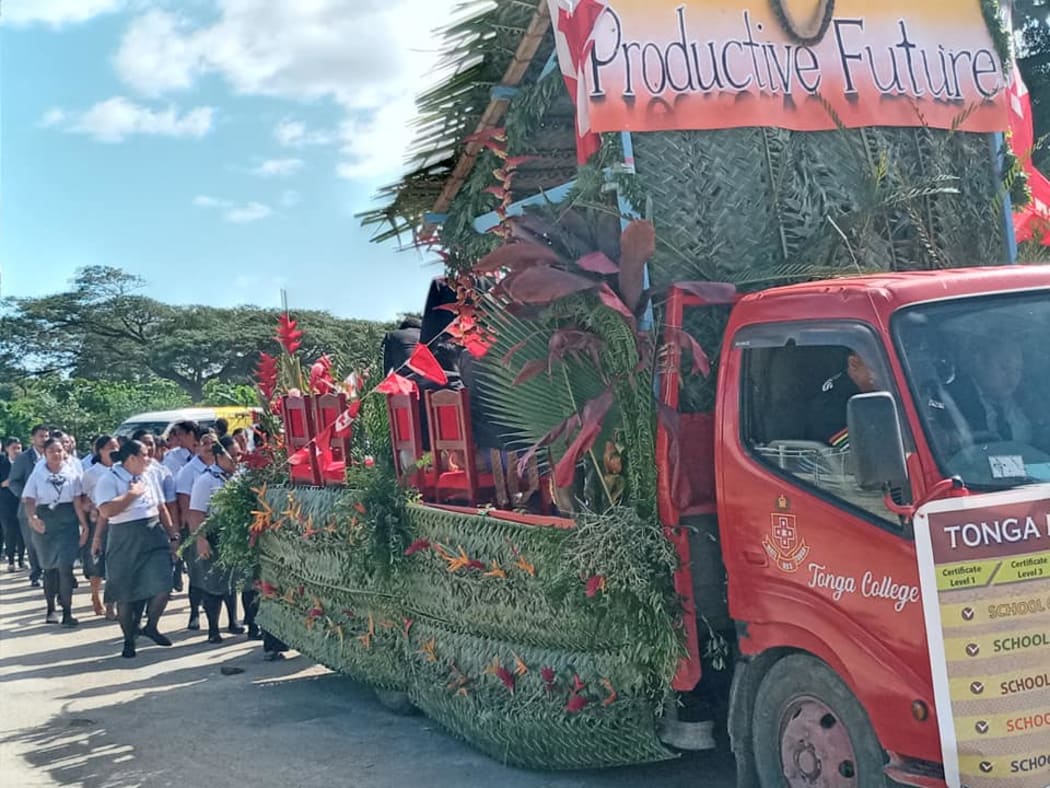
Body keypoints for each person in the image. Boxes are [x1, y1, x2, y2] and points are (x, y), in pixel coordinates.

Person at [94, 440, 180, 659]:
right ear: (131, 458)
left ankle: (151, 626)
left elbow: (161, 507)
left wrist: (173, 535)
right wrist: (131, 495)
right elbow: (106, 511)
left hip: (152, 533)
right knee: (126, 594)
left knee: (163, 584)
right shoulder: (109, 479)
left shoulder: (148, 475)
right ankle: (128, 638)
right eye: (144, 454)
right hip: (124, 538)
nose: (149, 458)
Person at [21, 437, 89, 626]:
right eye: (51, 451)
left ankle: (68, 611)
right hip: (45, 520)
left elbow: (77, 500)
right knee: (49, 567)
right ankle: (51, 608)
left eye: (59, 450)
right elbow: (29, 499)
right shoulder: (38, 474)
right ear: (44, 453)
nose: (56, 454)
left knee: (66, 567)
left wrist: (84, 525)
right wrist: (32, 518)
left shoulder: (72, 473)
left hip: (67, 521)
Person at [186, 437, 245, 642]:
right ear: (219, 456)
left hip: (233, 534)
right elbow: (195, 514)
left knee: (232, 581)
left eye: (239, 454)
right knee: (214, 584)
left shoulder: (238, 477)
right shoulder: (206, 480)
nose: (237, 459)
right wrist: (201, 539)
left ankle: (233, 621)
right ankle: (213, 629)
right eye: (233, 455)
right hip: (213, 533)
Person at [949, 338, 1033, 445]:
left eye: (1018, 370)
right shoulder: (952, 398)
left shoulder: (1028, 405)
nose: (1012, 378)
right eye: (1004, 368)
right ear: (980, 363)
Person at [176, 427, 216, 630]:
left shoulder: (223, 466)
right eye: (205, 443)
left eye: (212, 443)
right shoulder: (189, 471)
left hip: (218, 525)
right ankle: (194, 613)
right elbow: (184, 502)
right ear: (197, 446)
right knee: (197, 572)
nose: (209, 447)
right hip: (196, 524)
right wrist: (195, 532)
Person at [807, 350, 879, 447]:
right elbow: (868, 454)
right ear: (854, 364)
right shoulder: (832, 405)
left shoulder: (854, 388)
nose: (889, 377)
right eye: (880, 369)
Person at [82, 435, 119, 618]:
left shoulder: (122, 469)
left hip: (118, 519)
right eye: (110, 448)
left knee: (115, 564)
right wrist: (90, 509)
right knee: (97, 562)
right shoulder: (91, 473)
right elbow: (83, 498)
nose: (114, 451)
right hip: (98, 521)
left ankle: (111, 603)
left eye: (117, 447)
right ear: (100, 451)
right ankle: (95, 596)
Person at [8, 424, 50, 587]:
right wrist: (25, 496)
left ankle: (50, 571)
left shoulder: (53, 455)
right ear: (33, 438)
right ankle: (36, 573)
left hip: (49, 506)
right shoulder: (23, 458)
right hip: (28, 507)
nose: (44, 439)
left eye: (46, 436)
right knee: (32, 543)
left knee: (48, 540)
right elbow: (14, 482)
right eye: (41, 436)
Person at [1, 437, 25, 571]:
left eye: (19, 448)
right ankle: (11, 560)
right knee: (10, 531)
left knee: (22, 532)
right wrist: (3, 484)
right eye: (14, 448)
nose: (17, 451)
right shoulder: (2, 463)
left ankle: (21, 559)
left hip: (21, 501)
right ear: (6, 449)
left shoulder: (23, 462)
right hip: (5, 503)